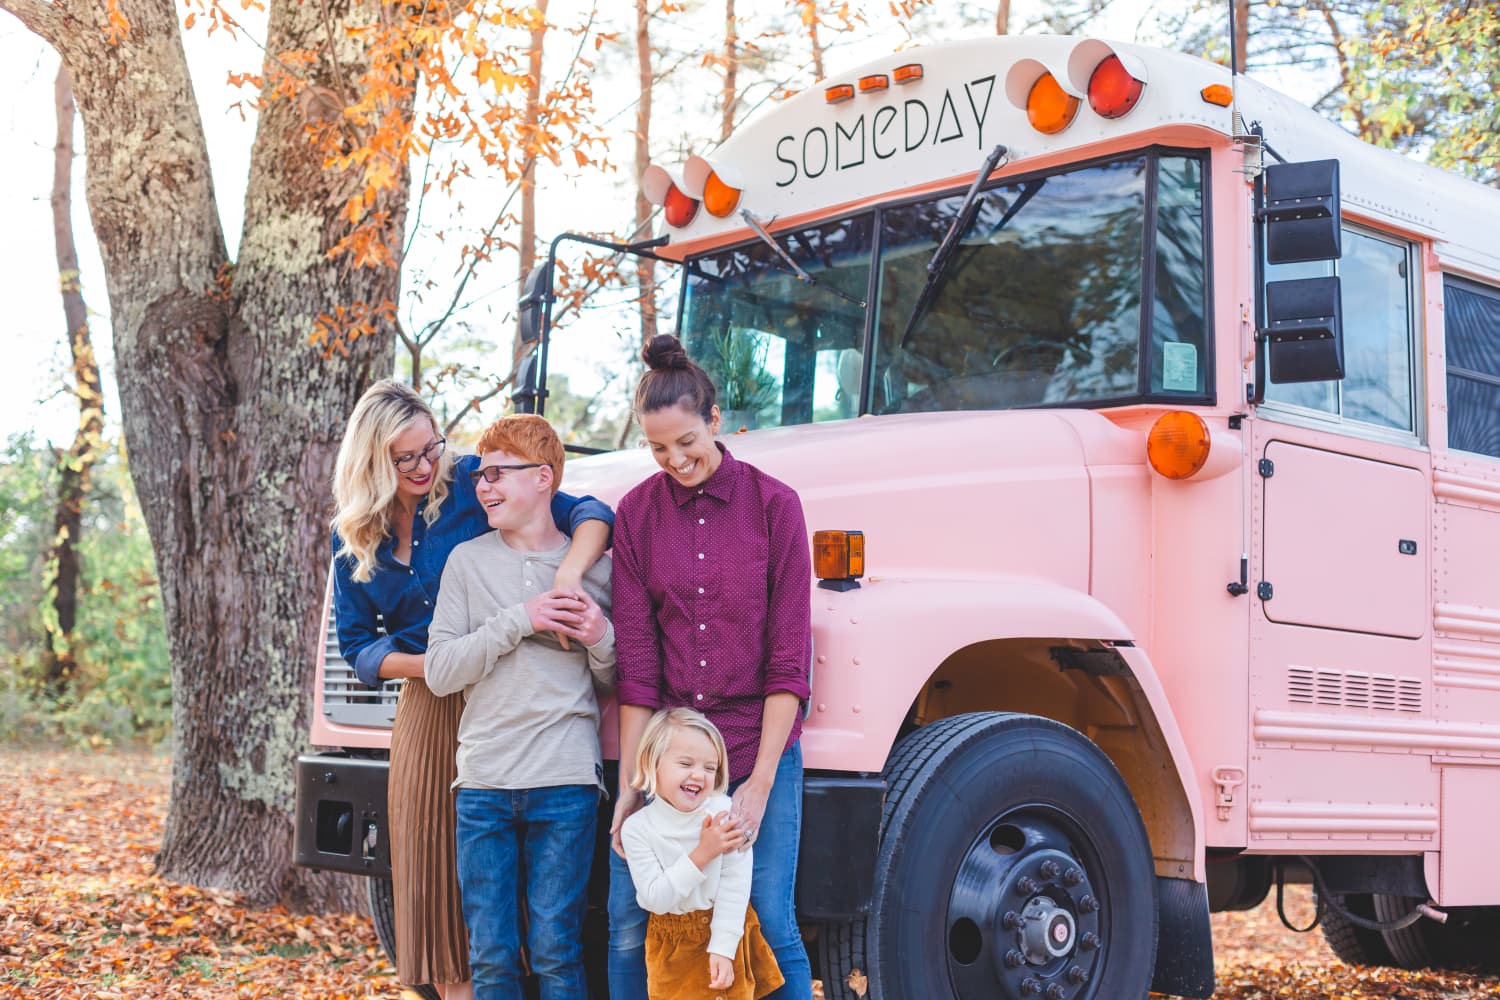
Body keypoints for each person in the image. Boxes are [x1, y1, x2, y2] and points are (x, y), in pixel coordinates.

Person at [331, 381, 613, 1000]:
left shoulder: (472, 481)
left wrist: (568, 579)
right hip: (433, 702)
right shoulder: (355, 535)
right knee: (436, 883)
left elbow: (588, 512)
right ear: (373, 462)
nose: (425, 465)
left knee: (545, 923)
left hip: (514, 700)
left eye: (431, 446)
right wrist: (432, 664)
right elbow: (358, 645)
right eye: (405, 458)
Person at [608, 334, 814, 1000]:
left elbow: (789, 661)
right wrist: (631, 786)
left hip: (758, 748)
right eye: (658, 448)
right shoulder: (636, 515)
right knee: (630, 922)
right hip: (668, 762)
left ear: (716, 420)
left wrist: (756, 787)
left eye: (687, 443)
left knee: (769, 919)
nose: (675, 460)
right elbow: (637, 667)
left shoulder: (775, 506)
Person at [426, 413, 616, 1000]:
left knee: (558, 949)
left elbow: (612, 681)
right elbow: (439, 673)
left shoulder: (594, 568)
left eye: (498, 474)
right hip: (483, 781)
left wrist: (598, 635)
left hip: (565, 781)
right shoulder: (467, 561)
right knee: (492, 956)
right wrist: (520, 619)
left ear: (543, 477)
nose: (483, 486)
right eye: (482, 476)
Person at [621, 708, 784, 1000]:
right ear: (651, 763)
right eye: (685, 763)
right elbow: (654, 898)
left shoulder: (724, 813)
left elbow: (735, 887)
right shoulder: (637, 829)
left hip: (724, 930)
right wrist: (703, 854)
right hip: (671, 945)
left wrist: (722, 948)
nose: (699, 774)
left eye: (710, 768)